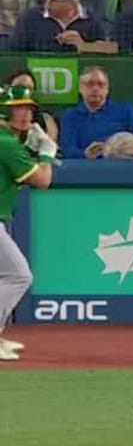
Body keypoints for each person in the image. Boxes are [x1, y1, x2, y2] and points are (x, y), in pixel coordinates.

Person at [0, 86, 56, 363]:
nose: (24, 114)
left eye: (28, 108)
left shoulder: (9, 142)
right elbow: (43, 180)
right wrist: (46, 152)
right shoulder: (6, 143)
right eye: (17, 108)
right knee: (19, 276)